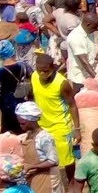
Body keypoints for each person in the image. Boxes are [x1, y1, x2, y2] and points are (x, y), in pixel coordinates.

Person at [31, 54, 80, 183]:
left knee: (66, 159)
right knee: (44, 157)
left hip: (60, 126)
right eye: (39, 70)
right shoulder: (34, 77)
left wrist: (77, 129)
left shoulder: (62, 83)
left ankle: (71, 184)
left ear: (52, 68)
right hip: (42, 125)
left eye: (45, 71)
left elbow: (73, 106)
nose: (42, 74)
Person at [14, 102, 58, 193]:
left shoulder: (45, 138)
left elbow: (53, 161)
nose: (20, 126)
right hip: (33, 178)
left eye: (23, 123)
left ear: (32, 121)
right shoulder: (28, 135)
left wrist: (32, 167)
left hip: (46, 179)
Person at [0, 40, 33, 135]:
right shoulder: (24, 66)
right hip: (25, 105)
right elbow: (33, 79)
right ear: (13, 51)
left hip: (8, 110)